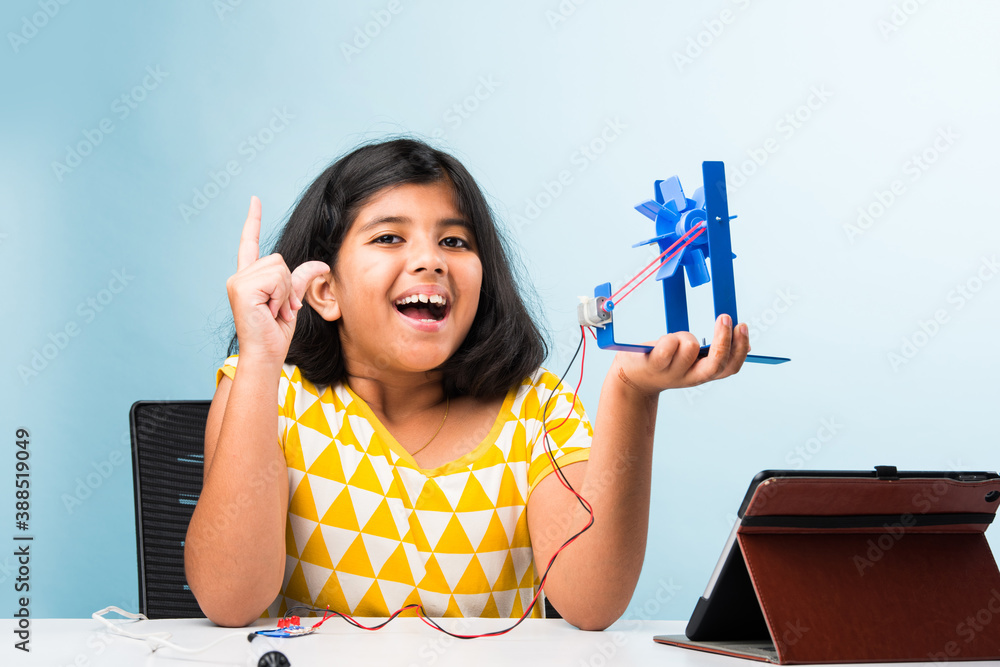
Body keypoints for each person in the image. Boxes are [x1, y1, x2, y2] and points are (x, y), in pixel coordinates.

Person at [184, 138, 749, 631]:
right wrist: (259, 357)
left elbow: (592, 601)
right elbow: (231, 602)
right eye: (388, 238)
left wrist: (632, 391)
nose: (430, 260)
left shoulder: (537, 410)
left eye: (455, 242)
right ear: (325, 291)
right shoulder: (268, 393)